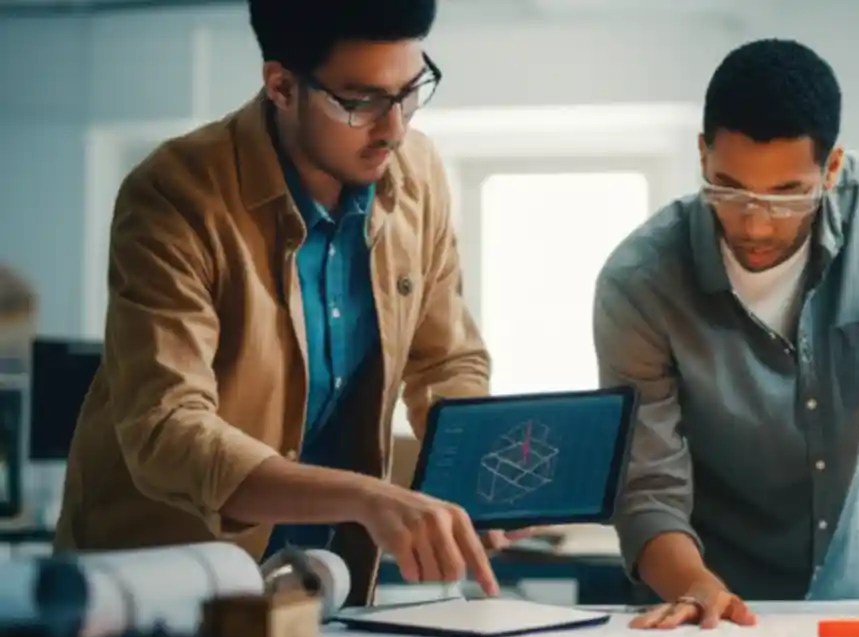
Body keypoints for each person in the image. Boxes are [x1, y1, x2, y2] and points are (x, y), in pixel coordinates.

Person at [55, 0, 520, 605]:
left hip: (325, 578)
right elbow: (166, 429)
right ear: (281, 87)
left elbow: (446, 360)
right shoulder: (174, 193)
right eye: (361, 101)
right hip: (160, 585)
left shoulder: (417, 171)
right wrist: (365, 498)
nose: (394, 129)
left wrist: (478, 474)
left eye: (410, 92)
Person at [593, 39, 859, 629]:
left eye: (787, 195)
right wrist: (697, 587)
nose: (755, 224)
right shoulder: (639, 281)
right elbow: (647, 487)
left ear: (832, 169)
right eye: (728, 189)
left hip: (849, 594)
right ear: (702, 155)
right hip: (701, 610)